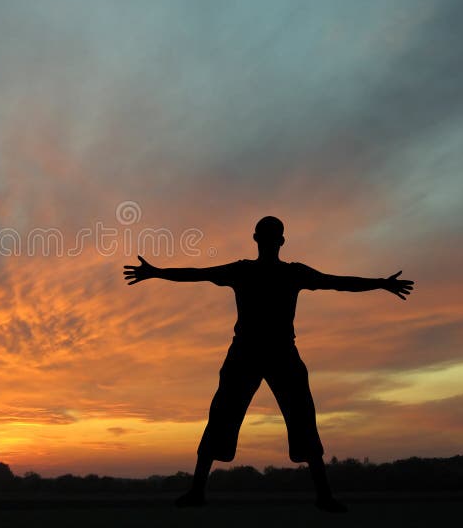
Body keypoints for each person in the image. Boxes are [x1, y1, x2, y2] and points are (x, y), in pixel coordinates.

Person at [123, 216, 413, 513]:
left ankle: (206, 492)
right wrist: (380, 284)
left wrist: (156, 273)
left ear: (256, 238)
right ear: (281, 241)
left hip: (267, 353)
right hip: (262, 353)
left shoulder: (256, 271)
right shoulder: (274, 272)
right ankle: (318, 496)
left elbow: (197, 273)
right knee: (238, 417)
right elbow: (336, 283)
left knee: (277, 418)